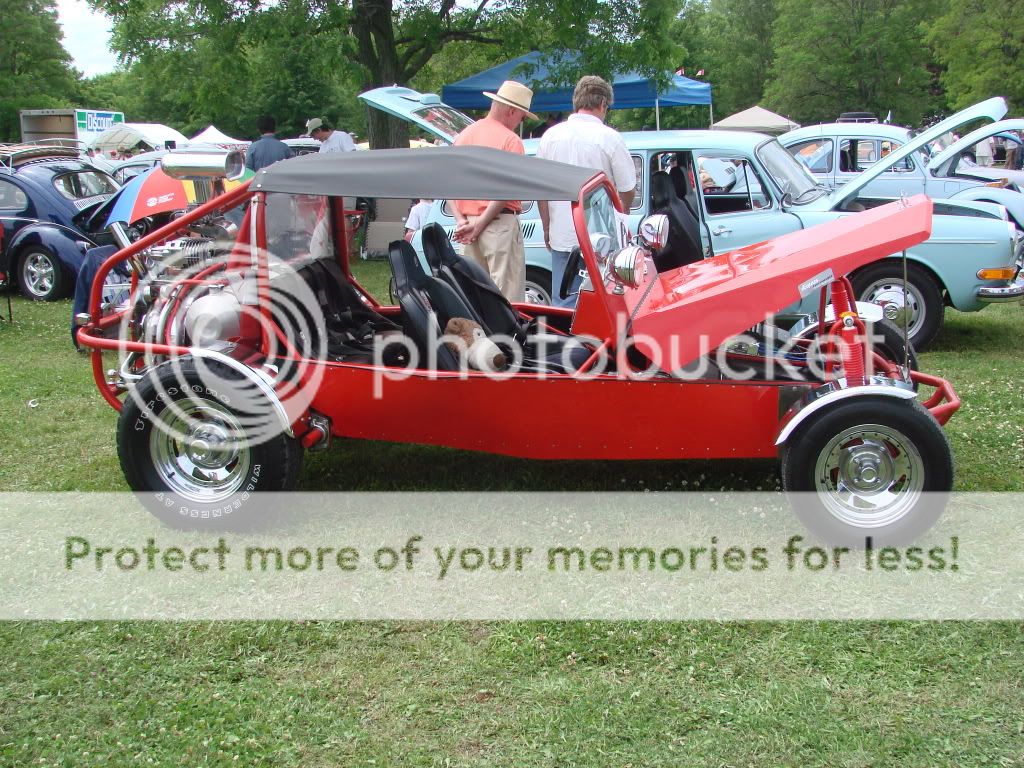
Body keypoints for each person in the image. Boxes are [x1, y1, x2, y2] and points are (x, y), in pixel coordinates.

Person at [536, 75, 636, 307]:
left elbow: (541, 190)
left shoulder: (550, 137)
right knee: (603, 304)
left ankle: (565, 343)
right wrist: (621, 218)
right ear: (602, 103)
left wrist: (547, 227)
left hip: (562, 235)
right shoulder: (610, 138)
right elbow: (627, 189)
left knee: (564, 306)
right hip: (601, 240)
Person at [451, 80, 537, 302]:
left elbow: (446, 184)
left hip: (468, 225)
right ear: (511, 110)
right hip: (498, 224)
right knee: (506, 299)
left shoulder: (464, 136)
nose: (522, 120)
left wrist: (462, 220)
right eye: (522, 115)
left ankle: (478, 337)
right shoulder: (511, 140)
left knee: (474, 298)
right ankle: (504, 338)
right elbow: (507, 189)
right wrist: (480, 224)